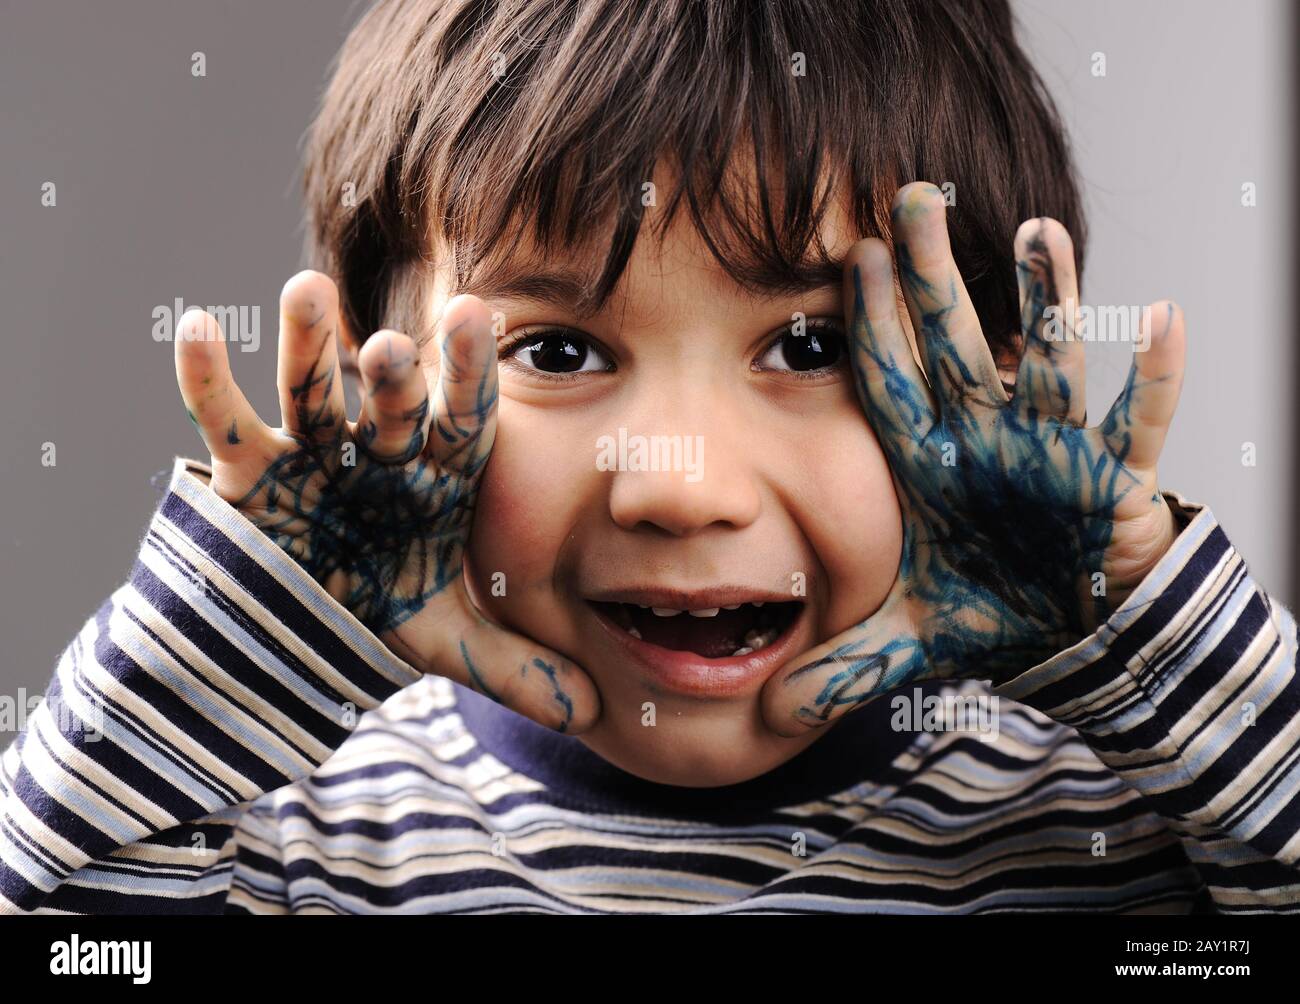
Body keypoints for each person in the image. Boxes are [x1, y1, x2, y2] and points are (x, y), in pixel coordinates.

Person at [3, 0, 1296, 914]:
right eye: (558, 354)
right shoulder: (294, 850)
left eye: (810, 347)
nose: (683, 487)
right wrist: (264, 622)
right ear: (372, 391)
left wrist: (1143, 622)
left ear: (1000, 383)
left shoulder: (1131, 829)